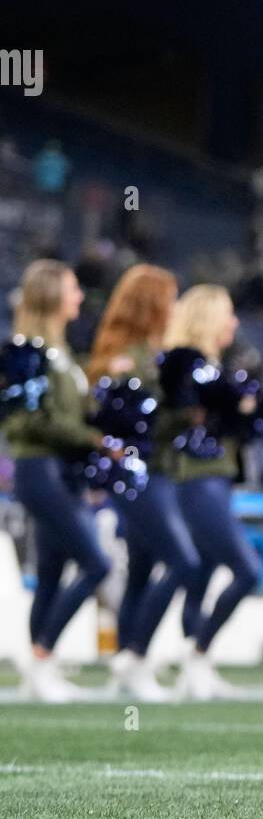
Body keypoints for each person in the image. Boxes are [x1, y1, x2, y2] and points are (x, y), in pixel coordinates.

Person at [87, 265, 201, 701]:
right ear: (153, 304)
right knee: (184, 562)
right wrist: (188, 412)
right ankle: (134, 656)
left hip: (154, 472)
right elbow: (136, 423)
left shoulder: (142, 353)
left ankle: (126, 663)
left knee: (141, 571)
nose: (174, 308)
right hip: (141, 474)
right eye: (169, 299)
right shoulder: (133, 359)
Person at [3, 260, 110, 701]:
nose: (80, 297)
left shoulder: (61, 354)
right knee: (96, 564)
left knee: (52, 570)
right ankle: (43, 657)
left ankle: (38, 668)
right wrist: (95, 438)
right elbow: (31, 421)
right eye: (72, 289)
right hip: (39, 468)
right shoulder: (27, 350)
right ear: (50, 296)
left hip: (61, 470)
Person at [160, 285, 262, 700]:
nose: (234, 324)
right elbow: (203, 411)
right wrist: (238, 406)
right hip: (198, 478)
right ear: (208, 319)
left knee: (203, 570)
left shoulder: (207, 367)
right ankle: (197, 653)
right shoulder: (188, 366)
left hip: (211, 478)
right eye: (228, 315)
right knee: (247, 569)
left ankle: (193, 660)